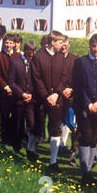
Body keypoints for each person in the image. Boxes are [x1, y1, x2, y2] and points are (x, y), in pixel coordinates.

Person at [71, 34, 97, 186]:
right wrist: (88, 103)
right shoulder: (81, 62)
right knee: (86, 136)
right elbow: (78, 85)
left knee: (94, 138)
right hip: (84, 106)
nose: (96, 49)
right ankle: (85, 172)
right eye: (93, 46)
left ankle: (88, 171)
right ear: (89, 46)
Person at [33, 31, 75, 173]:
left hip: (56, 100)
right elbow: (36, 78)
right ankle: (30, 148)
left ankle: (53, 161)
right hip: (41, 99)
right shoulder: (38, 57)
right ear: (52, 43)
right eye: (60, 42)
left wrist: (56, 94)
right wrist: (46, 96)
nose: (62, 45)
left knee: (55, 129)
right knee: (37, 127)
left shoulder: (61, 58)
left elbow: (64, 78)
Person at [0, 33, 33, 152]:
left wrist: (15, 88)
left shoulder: (18, 56)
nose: (9, 45)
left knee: (16, 117)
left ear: (14, 44)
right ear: (3, 43)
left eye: (11, 43)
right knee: (5, 116)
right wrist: (6, 87)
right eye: (6, 42)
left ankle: (15, 139)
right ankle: (5, 139)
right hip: (4, 91)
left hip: (16, 91)